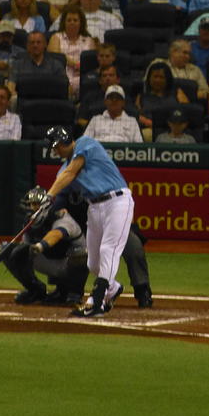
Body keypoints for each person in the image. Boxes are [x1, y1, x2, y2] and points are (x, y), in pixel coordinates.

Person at [44, 125, 135, 317]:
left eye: (59, 145)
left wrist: (49, 195)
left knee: (108, 250)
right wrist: (44, 206)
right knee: (93, 263)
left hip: (117, 201)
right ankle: (113, 287)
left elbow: (70, 173)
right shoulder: (62, 170)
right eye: (56, 146)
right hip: (94, 208)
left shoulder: (86, 143)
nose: (57, 149)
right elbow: (62, 188)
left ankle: (96, 302)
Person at [3, 185, 88, 306]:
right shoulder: (30, 222)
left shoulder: (60, 216)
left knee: (80, 253)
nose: (32, 208)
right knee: (9, 250)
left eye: (36, 204)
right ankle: (35, 290)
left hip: (70, 263)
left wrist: (39, 247)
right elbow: (25, 245)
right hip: (50, 262)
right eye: (31, 204)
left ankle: (74, 294)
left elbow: (57, 234)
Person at [48, 3, 96, 98]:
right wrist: (76, 64)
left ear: (81, 22)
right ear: (64, 22)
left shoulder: (89, 40)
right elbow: (56, 57)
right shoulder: (56, 37)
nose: (72, 22)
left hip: (82, 78)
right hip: (61, 76)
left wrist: (81, 67)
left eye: (75, 20)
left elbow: (92, 63)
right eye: (69, 20)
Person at [7, 30, 66, 98]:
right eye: (32, 42)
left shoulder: (56, 65)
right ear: (27, 46)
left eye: (38, 42)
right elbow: (10, 87)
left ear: (45, 45)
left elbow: (66, 87)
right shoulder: (17, 65)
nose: (35, 45)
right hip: (25, 102)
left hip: (50, 101)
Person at [136, 60, 179, 139]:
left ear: (167, 79)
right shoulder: (141, 97)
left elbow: (184, 113)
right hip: (149, 130)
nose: (157, 80)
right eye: (155, 77)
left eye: (161, 77)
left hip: (173, 130)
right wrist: (148, 123)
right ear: (149, 78)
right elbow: (137, 116)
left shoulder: (177, 94)